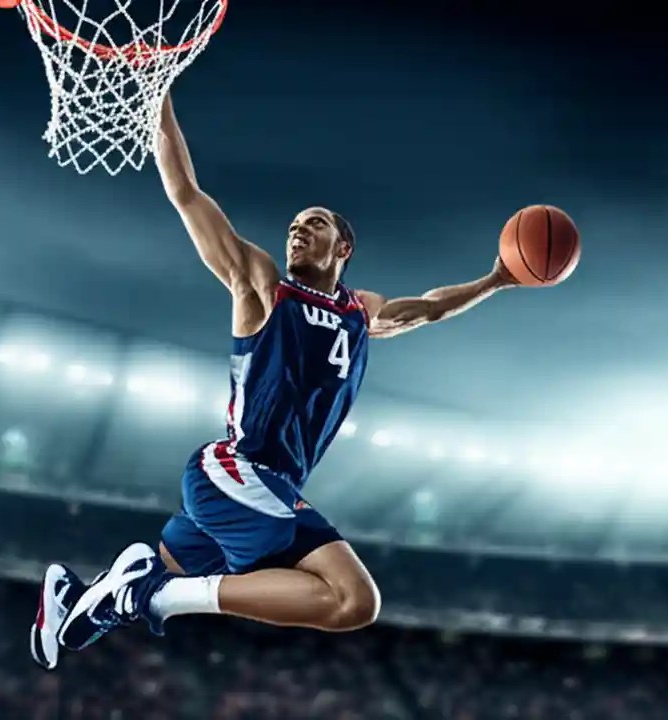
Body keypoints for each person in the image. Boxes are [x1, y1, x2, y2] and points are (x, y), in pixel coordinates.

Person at [31, 92, 522, 669]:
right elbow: (186, 194)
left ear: (343, 247)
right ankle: (152, 595)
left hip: (264, 484)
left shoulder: (361, 311)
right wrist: (157, 99)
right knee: (352, 600)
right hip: (238, 471)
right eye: (293, 224)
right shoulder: (262, 286)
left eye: (313, 224)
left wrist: (497, 278)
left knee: (166, 581)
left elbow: (430, 307)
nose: (297, 231)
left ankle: (72, 604)